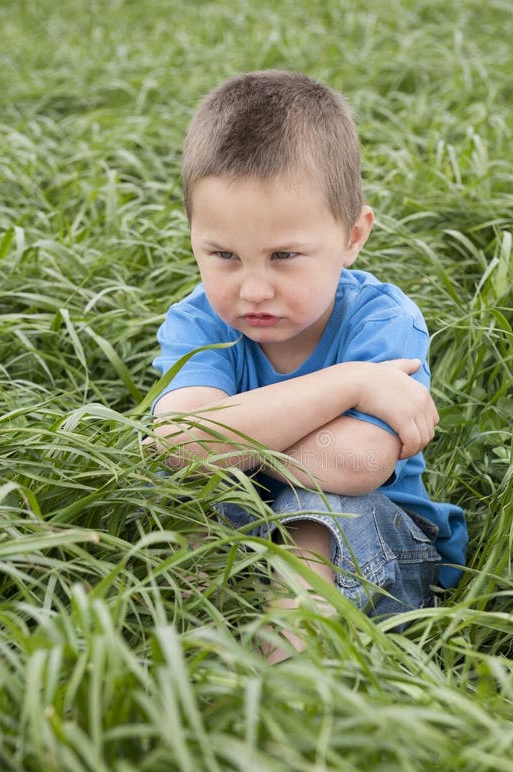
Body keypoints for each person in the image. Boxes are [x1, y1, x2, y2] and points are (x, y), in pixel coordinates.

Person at [150, 70, 468, 663]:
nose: (253, 290)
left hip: (373, 545)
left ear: (352, 237)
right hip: (240, 528)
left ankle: (285, 689)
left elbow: (354, 463)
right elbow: (180, 442)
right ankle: (190, 661)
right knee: (182, 498)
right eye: (222, 255)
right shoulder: (198, 322)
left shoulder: (381, 321)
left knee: (314, 512)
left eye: (285, 256)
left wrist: (226, 444)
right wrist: (349, 384)